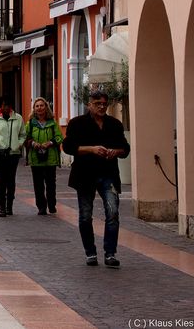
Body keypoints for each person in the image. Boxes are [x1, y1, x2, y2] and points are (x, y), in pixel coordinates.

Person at [63, 90, 129, 268]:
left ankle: (110, 253)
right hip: (85, 175)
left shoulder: (114, 124)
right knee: (85, 215)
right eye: (97, 104)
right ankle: (90, 252)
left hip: (109, 174)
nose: (101, 107)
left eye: (104, 104)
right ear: (89, 105)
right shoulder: (77, 124)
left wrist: (116, 151)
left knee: (113, 212)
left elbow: (125, 148)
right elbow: (68, 147)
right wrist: (91, 149)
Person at [0, 96, 26, 217]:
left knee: (11, 180)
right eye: (4, 105)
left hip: (13, 154)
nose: (6, 108)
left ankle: (10, 206)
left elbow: (23, 135)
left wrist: (17, 145)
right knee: (2, 180)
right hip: (0, 154)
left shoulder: (18, 118)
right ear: (1, 106)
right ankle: (2, 206)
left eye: (8, 106)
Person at [25, 97, 63, 215]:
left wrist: (50, 143)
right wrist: (33, 143)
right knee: (38, 184)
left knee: (51, 184)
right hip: (36, 158)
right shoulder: (30, 123)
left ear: (46, 107)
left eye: (42, 105)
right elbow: (24, 138)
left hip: (51, 158)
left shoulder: (52, 123)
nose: (39, 108)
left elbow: (59, 137)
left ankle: (52, 204)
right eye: (37, 106)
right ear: (34, 109)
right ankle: (41, 206)